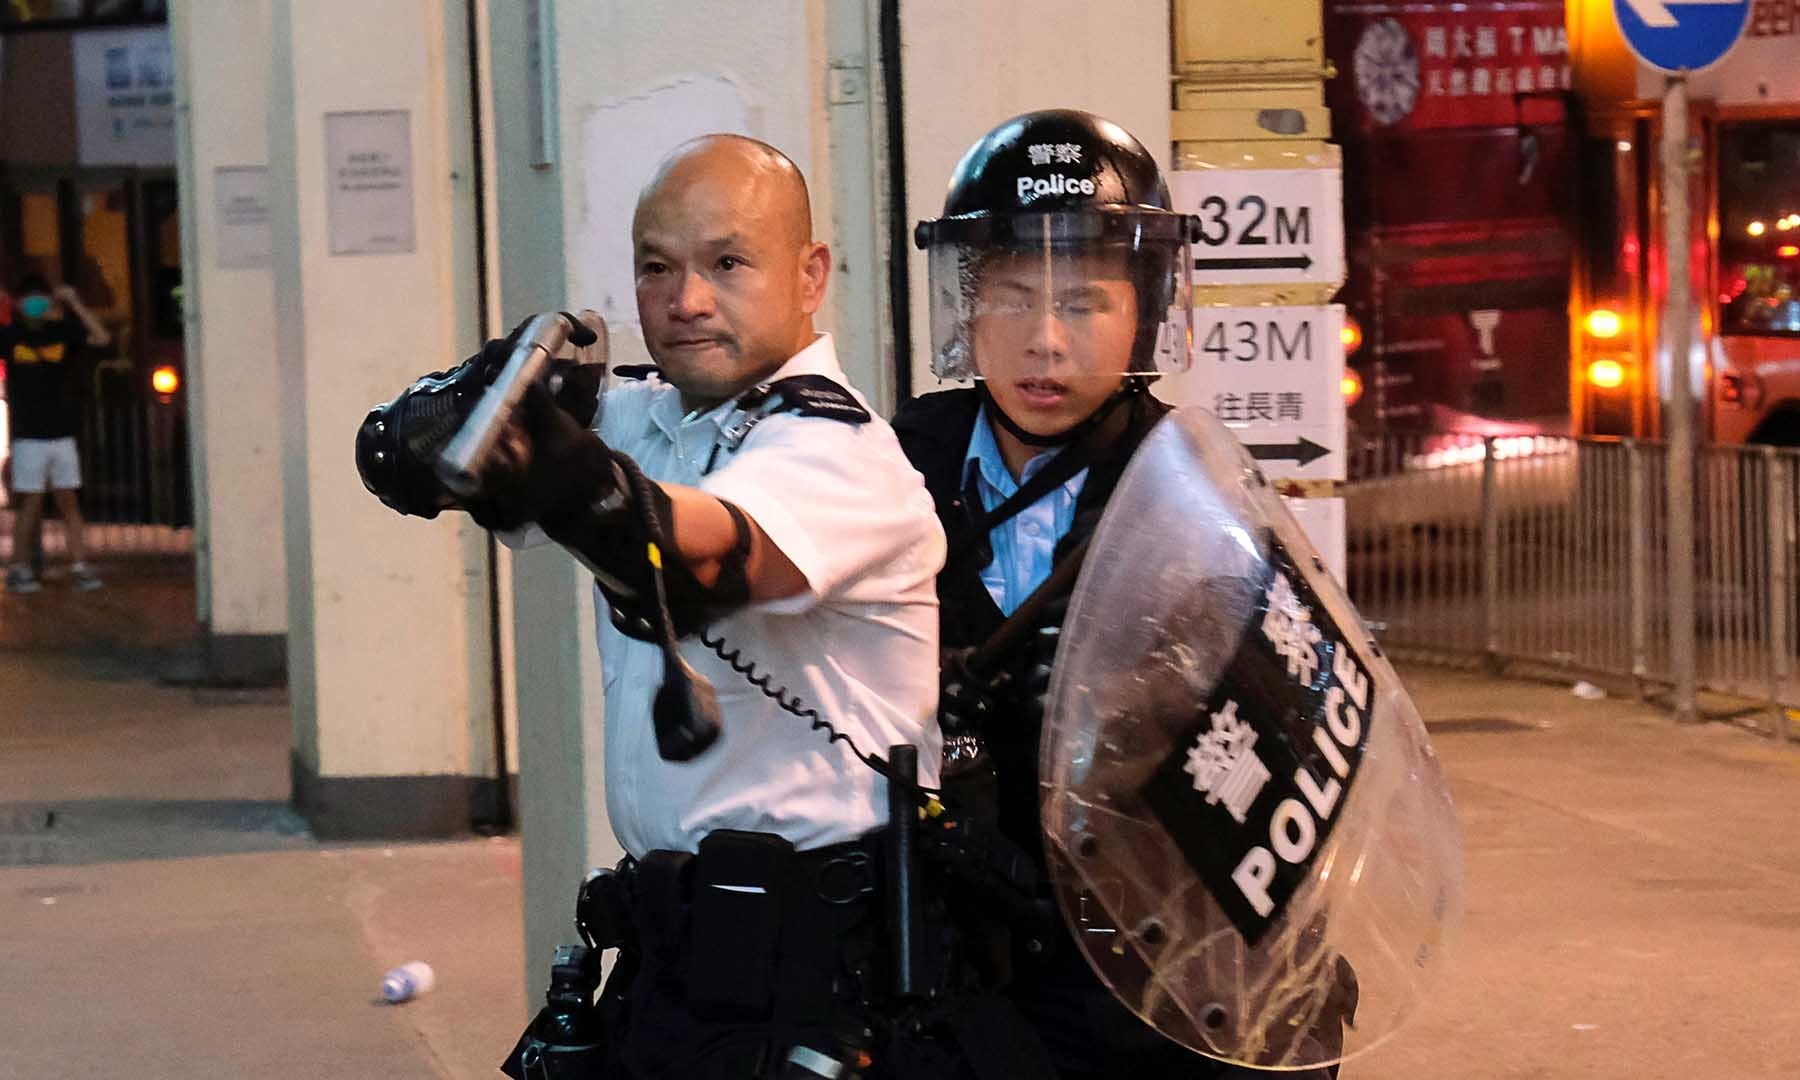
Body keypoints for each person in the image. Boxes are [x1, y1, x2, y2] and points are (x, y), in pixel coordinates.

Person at [357, 134, 947, 1079]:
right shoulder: (651, 417)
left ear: (810, 275)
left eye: (728, 263)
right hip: (672, 952)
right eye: (657, 268)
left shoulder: (839, 449)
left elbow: (695, 557)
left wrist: (563, 470)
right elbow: (397, 455)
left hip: (815, 970)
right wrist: (455, 412)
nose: (687, 301)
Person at [895, 110, 1345, 1079]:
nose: (1045, 342)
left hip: (1150, 965)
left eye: (1085, 303)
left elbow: (1283, 756)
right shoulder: (894, 468)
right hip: (960, 968)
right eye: (1011, 297)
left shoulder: (1193, 492)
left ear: (1147, 309)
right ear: (967, 308)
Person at [3, 274, 110, 594]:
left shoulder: (62, 331)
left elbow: (101, 337)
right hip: (28, 436)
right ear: (18, 303)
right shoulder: (9, 335)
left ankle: (80, 566)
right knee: (31, 503)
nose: (34, 303)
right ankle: (19, 567)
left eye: (41, 297)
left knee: (68, 501)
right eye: (28, 298)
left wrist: (74, 302)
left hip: (61, 433)